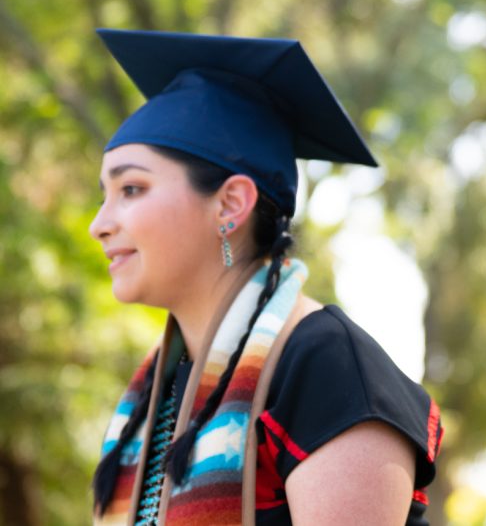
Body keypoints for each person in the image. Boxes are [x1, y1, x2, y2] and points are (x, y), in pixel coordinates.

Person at [89, 29, 443, 525]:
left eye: (131, 188)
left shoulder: (326, 365)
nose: (99, 224)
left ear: (231, 204)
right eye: (104, 194)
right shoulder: (158, 393)